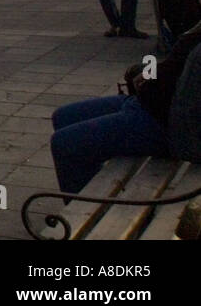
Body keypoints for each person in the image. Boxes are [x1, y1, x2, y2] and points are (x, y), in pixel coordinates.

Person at [49, 24, 201, 194]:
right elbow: (176, 64)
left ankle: (86, 213)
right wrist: (150, 72)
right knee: (63, 116)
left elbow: (189, 114)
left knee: (65, 144)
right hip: (144, 103)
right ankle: (92, 192)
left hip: (162, 123)